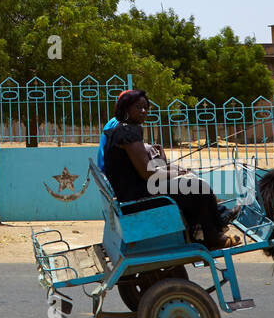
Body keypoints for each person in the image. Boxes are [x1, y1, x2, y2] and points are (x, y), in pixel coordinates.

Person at [99, 89, 240, 249]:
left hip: (133, 191)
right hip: (137, 196)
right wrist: (174, 173)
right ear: (126, 108)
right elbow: (147, 173)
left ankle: (207, 226)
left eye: (146, 108)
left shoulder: (122, 128)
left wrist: (172, 168)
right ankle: (212, 236)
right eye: (138, 107)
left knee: (190, 181)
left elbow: (145, 164)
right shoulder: (127, 131)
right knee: (198, 187)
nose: (144, 111)